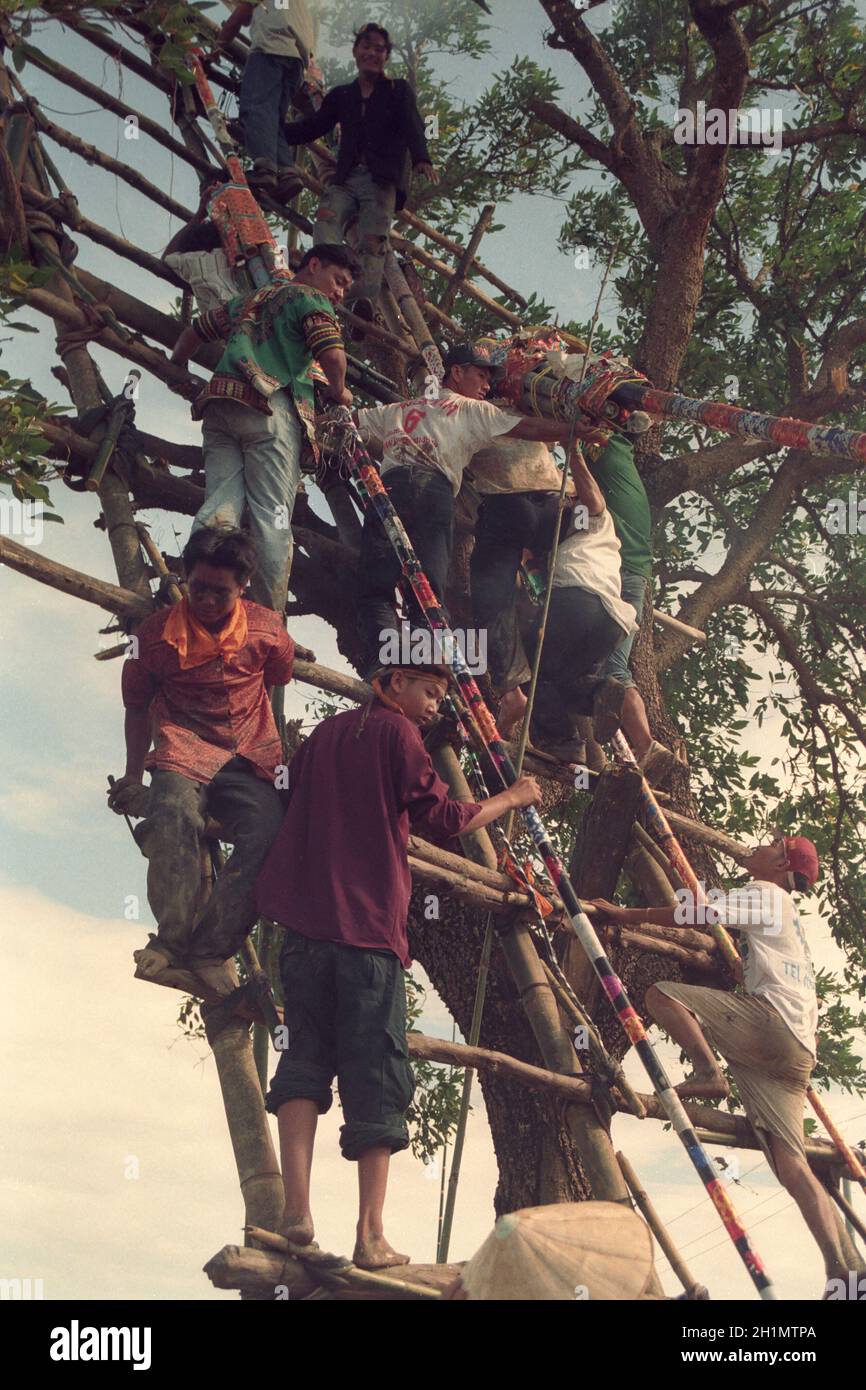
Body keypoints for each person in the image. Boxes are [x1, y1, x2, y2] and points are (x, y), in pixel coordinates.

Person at [255, 662, 542, 1268]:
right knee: (376, 1073)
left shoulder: (327, 735)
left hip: (304, 931)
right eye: (428, 691)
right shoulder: (398, 735)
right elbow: (445, 819)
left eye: (441, 694)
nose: (435, 703)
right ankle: (370, 1234)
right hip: (366, 933)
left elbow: (291, 794)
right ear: (390, 685)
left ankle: (296, 1213)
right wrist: (512, 796)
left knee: (304, 1059)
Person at [592, 833, 858, 1298]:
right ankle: (848, 1272)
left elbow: (695, 912)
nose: (755, 847)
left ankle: (708, 1072)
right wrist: (748, 969)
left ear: (780, 864)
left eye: (772, 843)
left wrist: (625, 914)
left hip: (772, 1026)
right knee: (792, 1166)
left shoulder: (766, 892)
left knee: (660, 995)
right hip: (797, 1052)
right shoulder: (786, 915)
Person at [107, 527, 295, 997]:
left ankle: (211, 951)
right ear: (185, 577)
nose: (208, 599)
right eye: (199, 587)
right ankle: (169, 943)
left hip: (250, 753)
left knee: (270, 837)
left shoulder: (269, 630)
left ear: (243, 586)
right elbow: (135, 705)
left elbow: (279, 675)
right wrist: (133, 774)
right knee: (170, 817)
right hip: (182, 746)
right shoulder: (152, 638)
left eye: (221, 591)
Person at [354, 342, 577, 676]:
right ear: (456, 372)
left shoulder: (399, 409)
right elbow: (528, 428)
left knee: (377, 583)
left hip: (390, 490)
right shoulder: (473, 410)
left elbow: (351, 420)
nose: (487, 386)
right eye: (481, 376)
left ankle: (381, 664)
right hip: (434, 491)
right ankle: (424, 665)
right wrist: (575, 431)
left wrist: (330, 404)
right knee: (429, 586)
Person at [170, 243, 358, 614]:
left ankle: (196, 590)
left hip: (221, 408)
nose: (338, 293)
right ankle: (270, 619)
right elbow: (332, 355)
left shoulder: (248, 300)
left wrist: (177, 365)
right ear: (314, 265)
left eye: (345, 289)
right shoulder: (309, 299)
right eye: (338, 281)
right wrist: (340, 392)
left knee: (221, 502)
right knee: (272, 516)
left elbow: (197, 330)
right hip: (268, 411)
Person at [282, 22, 437, 322]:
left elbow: (412, 123)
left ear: (386, 56)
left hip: (381, 183)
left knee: (373, 245)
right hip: (347, 177)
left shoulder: (398, 90)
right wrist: (275, 131)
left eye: (379, 49)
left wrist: (422, 157)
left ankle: (358, 302)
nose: (372, 54)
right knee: (327, 219)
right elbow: (314, 127)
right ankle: (320, 281)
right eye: (366, 47)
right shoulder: (342, 95)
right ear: (356, 52)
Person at [519, 445, 638, 762]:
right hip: (610, 624)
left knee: (532, 661)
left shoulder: (592, 521)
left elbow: (594, 500)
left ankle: (562, 741)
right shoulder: (566, 544)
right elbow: (536, 577)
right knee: (564, 680)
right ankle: (598, 693)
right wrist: (529, 556)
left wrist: (575, 456)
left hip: (578, 600)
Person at [465, 431, 576, 733]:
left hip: (509, 504)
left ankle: (512, 691)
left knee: (491, 595)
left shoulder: (474, 410)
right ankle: (563, 730)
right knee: (543, 601)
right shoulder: (531, 407)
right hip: (558, 507)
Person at [585, 436, 674, 779]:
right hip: (633, 574)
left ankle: (646, 747)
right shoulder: (622, 467)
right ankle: (641, 745)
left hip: (618, 574)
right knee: (608, 665)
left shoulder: (602, 452)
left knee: (614, 668)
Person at [208, 1, 319, 200]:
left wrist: (217, 47)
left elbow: (240, 16)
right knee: (272, 120)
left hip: (270, 50)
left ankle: (265, 169)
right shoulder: (299, 6)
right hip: (296, 63)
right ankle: (287, 173)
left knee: (255, 109)